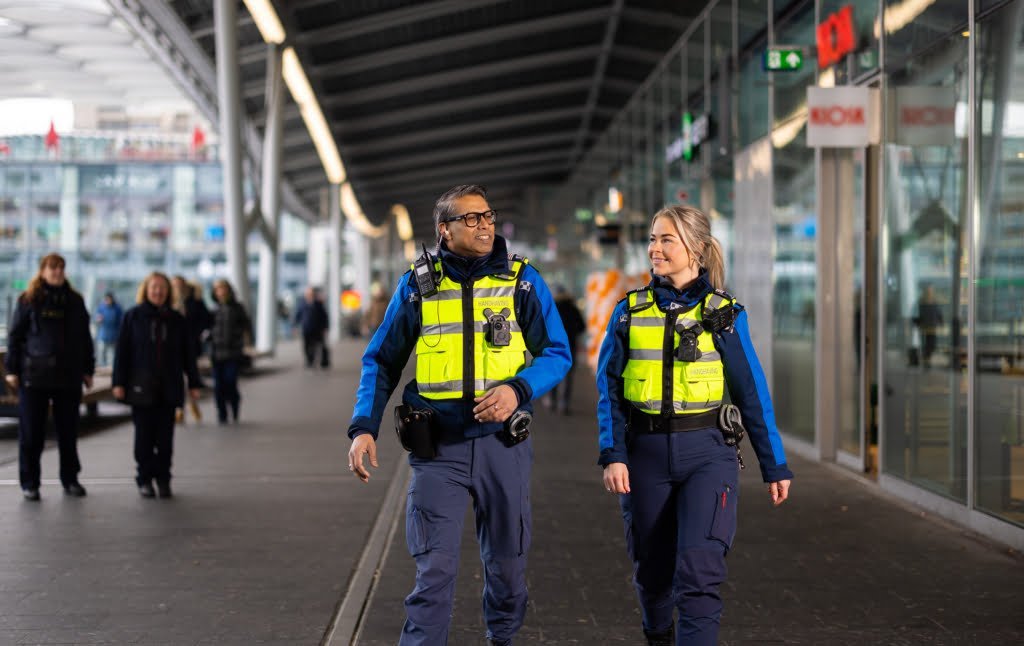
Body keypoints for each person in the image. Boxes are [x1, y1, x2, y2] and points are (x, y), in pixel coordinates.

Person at [347, 184, 571, 646]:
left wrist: (518, 388)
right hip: (437, 452)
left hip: (502, 447)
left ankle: (502, 638)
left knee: (507, 568)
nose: (484, 224)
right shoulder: (417, 285)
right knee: (434, 571)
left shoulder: (521, 281)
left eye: (487, 215)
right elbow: (382, 360)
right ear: (444, 230)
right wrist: (363, 428)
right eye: (470, 218)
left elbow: (557, 352)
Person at [596, 205, 793, 646]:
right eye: (652, 239)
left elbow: (751, 393)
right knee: (652, 571)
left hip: (709, 454)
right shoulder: (629, 311)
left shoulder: (723, 314)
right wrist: (613, 455)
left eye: (667, 239)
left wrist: (774, 464)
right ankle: (658, 634)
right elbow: (607, 389)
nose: (655, 248)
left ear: (697, 249)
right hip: (644, 455)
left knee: (699, 574)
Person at [3, 253, 95, 500]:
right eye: (52, 267)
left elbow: (85, 339)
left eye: (61, 268)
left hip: (68, 376)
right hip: (34, 377)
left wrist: (88, 369)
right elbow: (15, 337)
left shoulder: (75, 301)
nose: (57, 272)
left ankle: (70, 479)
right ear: (42, 270)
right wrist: (11, 370)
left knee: (68, 433)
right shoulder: (29, 299)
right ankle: (30, 483)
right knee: (31, 433)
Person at [112, 272, 202, 498]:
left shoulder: (177, 320)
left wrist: (193, 382)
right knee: (143, 438)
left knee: (165, 440)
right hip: (140, 388)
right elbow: (122, 352)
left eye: (162, 288)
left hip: (169, 387)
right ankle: (144, 478)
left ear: (168, 292)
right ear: (146, 289)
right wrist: (118, 382)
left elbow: (188, 354)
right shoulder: (132, 317)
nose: (158, 292)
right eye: (154, 287)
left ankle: (163, 478)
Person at [210, 279, 252, 424]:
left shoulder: (237, 308)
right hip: (216, 353)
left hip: (233, 353)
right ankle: (222, 414)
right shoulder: (213, 309)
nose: (220, 292)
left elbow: (247, 325)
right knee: (218, 386)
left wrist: (245, 341)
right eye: (217, 289)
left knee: (230, 382)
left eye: (223, 289)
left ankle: (234, 407)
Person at [172, 275, 212, 422]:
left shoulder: (195, 301)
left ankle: (191, 403)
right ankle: (181, 408)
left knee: (189, 377)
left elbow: (205, 319)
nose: (177, 288)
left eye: (179, 285)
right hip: (173, 347)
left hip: (191, 345)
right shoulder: (169, 302)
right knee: (178, 379)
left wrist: (199, 335)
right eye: (174, 285)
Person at [547, 285, 586, 415]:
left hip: (553, 345)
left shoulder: (551, 308)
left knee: (553, 372)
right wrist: (573, 333)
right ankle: (564, 403)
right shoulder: (572, 308)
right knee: (568, 375)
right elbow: (582, 326)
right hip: (570, 345)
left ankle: (552, 400)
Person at [294, 286, 330, 368]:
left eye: (311, 294)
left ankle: (321, 361)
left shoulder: (318, 304)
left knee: (319, 345)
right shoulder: (302, 304)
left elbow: (324, 316)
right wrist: (295, 325)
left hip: (317, 329)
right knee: (307, 346)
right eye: (308, 294)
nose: (310, 295)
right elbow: (298, 315)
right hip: (306, 328)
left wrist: (325, 327)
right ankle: (309, 360)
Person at [913, 285, 943, 369]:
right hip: (924, 328)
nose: (930, 293)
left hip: (932, 328)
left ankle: (927, 358)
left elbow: (939, 313)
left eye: (931, 291)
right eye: (928, 291)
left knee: (932, 344)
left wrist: (940, 322)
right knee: (924, 344)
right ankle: (925, 359)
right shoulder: (920, 302)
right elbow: (915, 314)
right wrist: (917, 323)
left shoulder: (934, 302)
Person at [94, 292, 123, 366]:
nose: (107, 301)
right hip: (103, 334)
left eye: (109, 299)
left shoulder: (117, 309)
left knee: (112, 354)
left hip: (114, 335)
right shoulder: (101, 307)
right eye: (106, 299)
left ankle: (110, 368)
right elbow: (96, 317)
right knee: (101, 352)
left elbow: (121, 321)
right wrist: (98, 319)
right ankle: (101, 366)